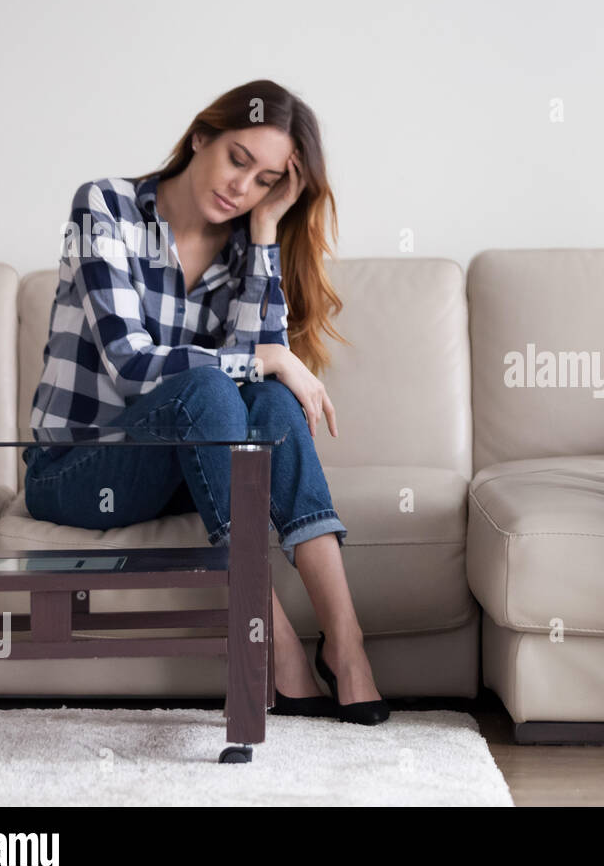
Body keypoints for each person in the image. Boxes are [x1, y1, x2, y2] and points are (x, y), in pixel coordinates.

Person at [24, 79, 387, 725]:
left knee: (271, 404)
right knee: (213, 385)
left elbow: (264, 376)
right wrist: (266, 358)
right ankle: (276, 649)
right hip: (80, 470)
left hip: (184, 466)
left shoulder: (246, 240)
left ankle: (347, 646)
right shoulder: (105, 207)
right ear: (201, 137)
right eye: (237, 159)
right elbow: (132, 366)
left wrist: (268, 232)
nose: (240, 187)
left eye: (265, 179)